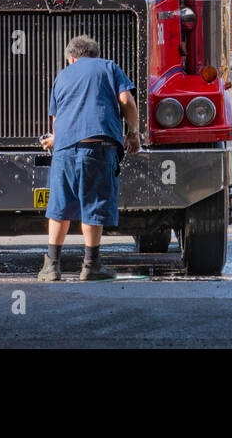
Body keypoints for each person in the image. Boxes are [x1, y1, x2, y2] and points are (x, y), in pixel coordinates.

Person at [38, 34, 140, 281]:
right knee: (93, 204)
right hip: (98, 147)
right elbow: (125, 100)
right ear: (94, 53)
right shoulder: (109, 67)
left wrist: (55, 139)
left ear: (71, 57)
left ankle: (51, 267)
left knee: (60, 206)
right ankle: (91, 266)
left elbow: (57, 119)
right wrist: (133, 133)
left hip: (64, 150)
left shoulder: (62, 75)